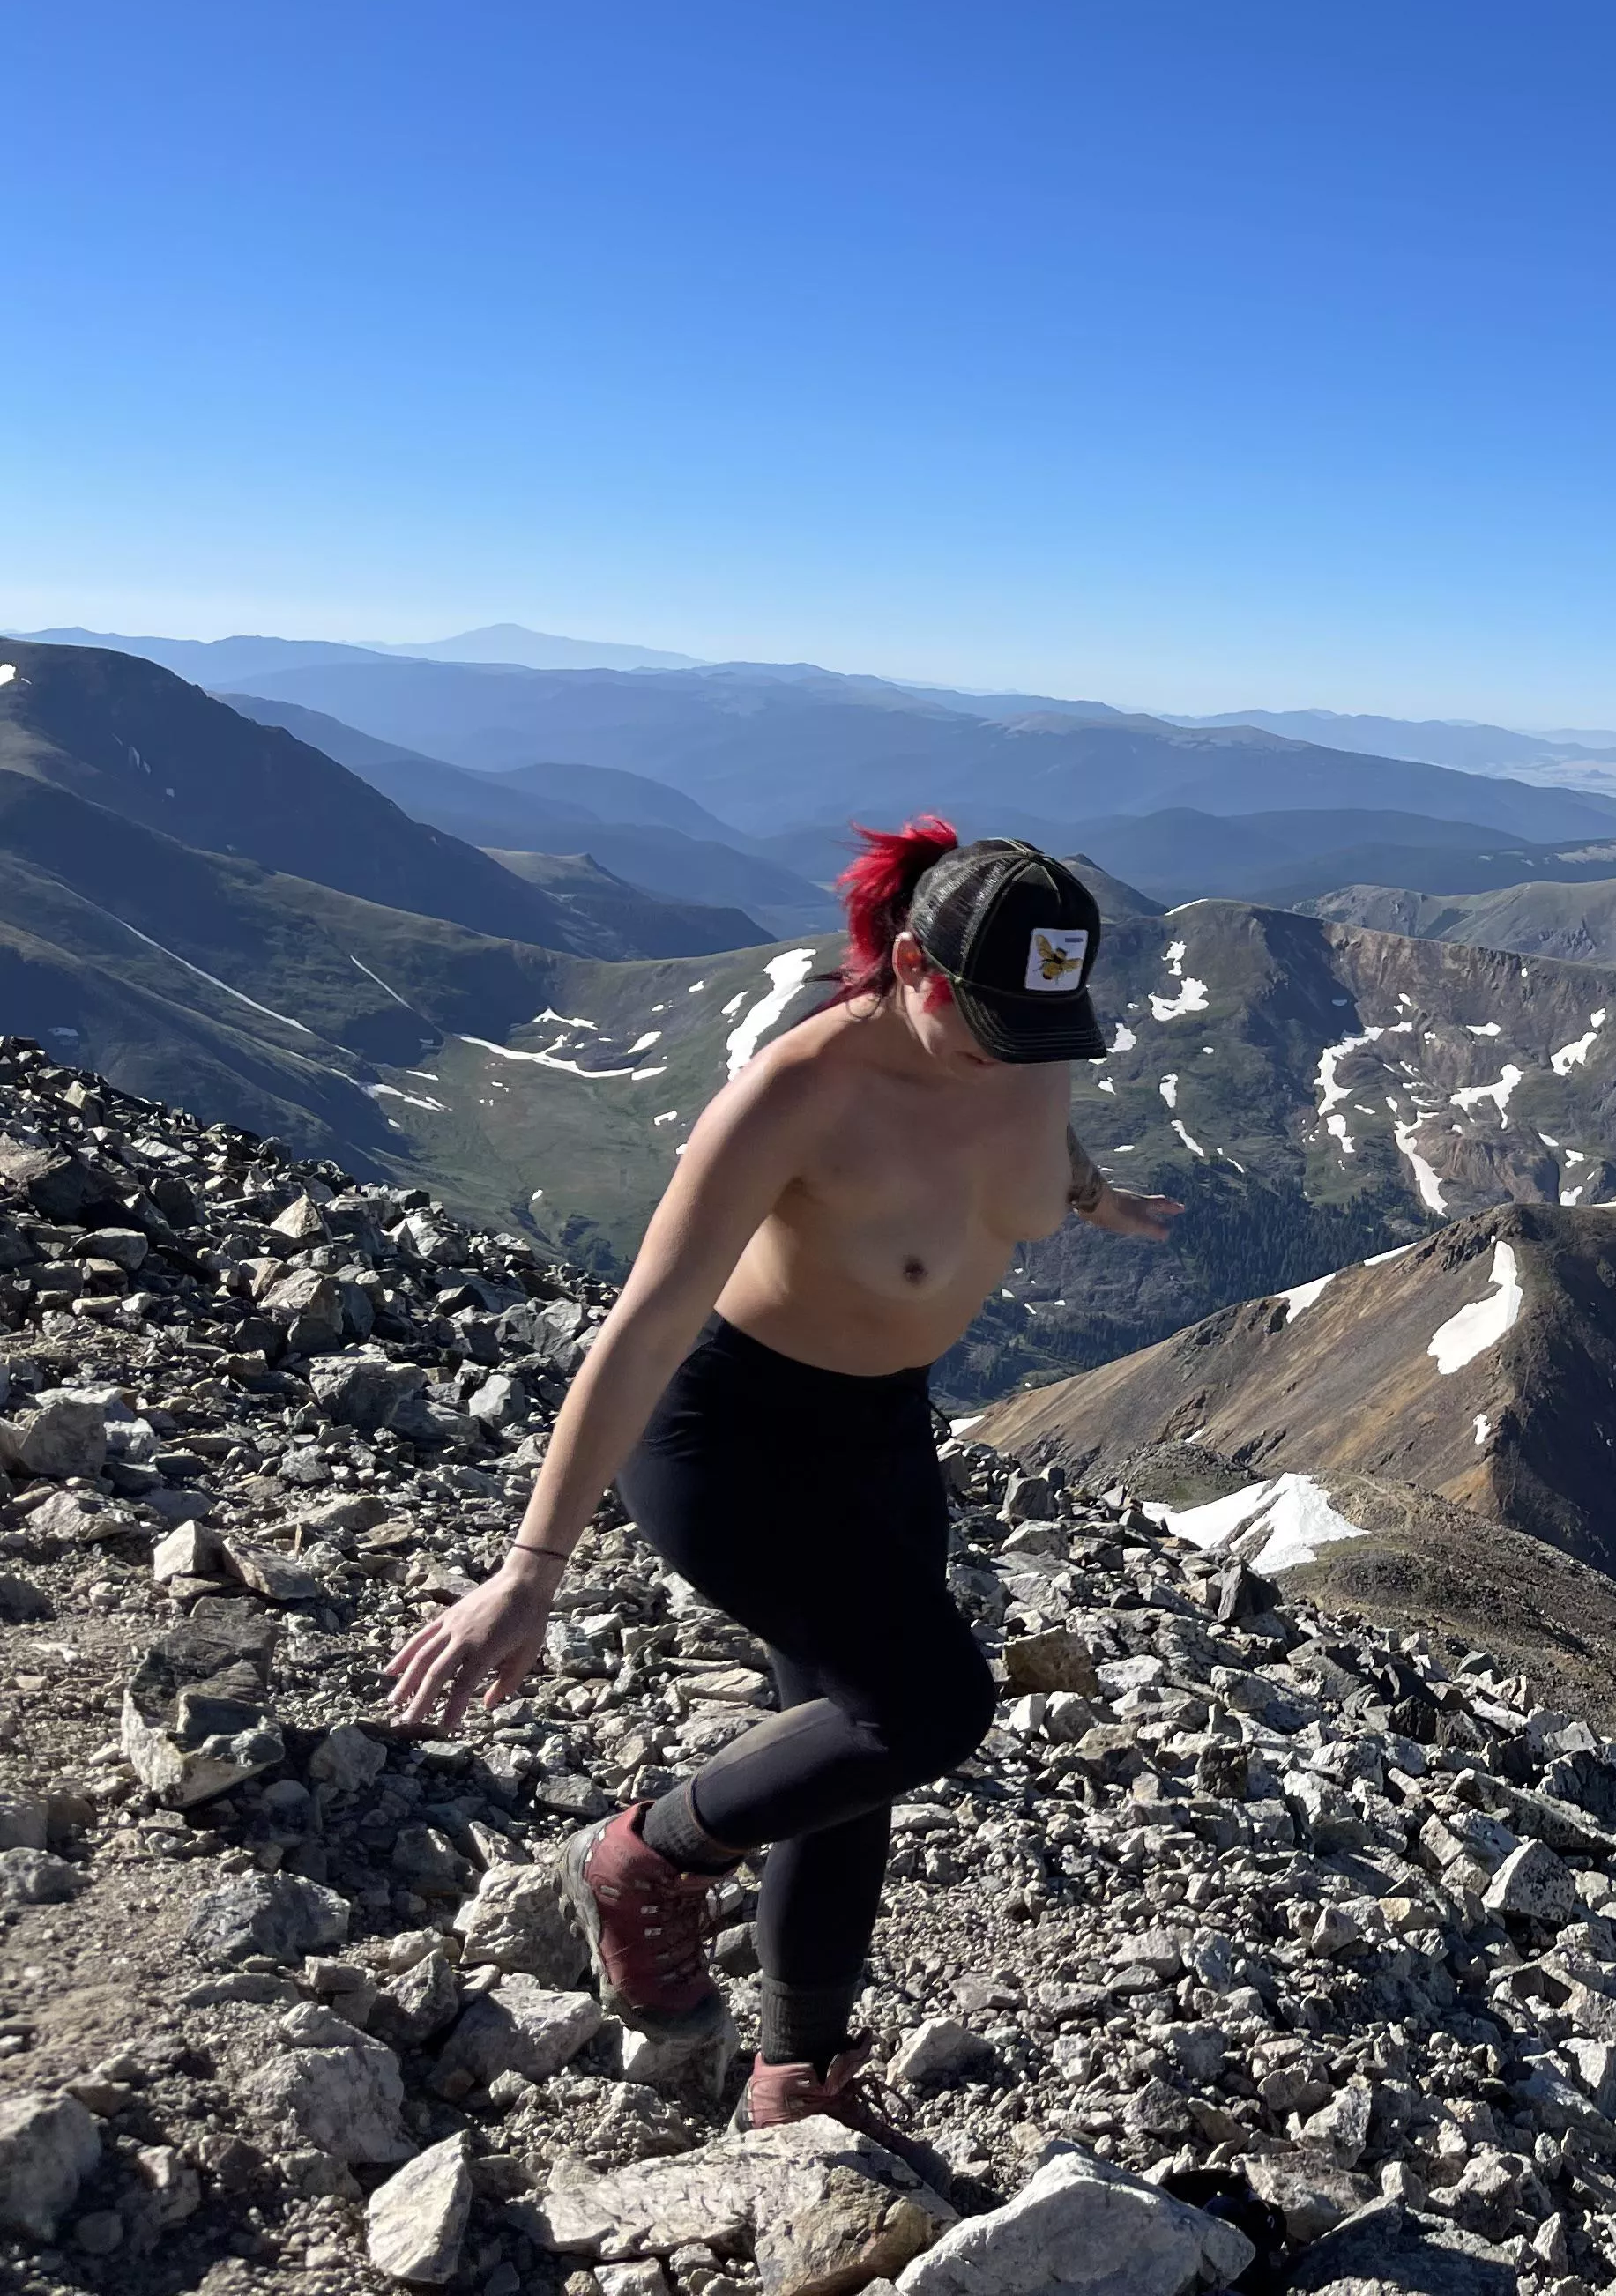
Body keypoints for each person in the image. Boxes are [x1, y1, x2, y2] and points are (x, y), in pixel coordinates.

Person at [386, 821, 1180, 2159]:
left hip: (880, 1432)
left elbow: (1039, 1135)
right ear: (916, 966)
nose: (1019, 1051)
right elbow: (639, 1324)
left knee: (849, 1750)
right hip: (729, 1439)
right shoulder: (797, 1094)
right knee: (931, 1703)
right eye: (989, 1018)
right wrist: (532, 1569)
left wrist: (1089, 1194)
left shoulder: (1022, 1040)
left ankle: (795, 2073)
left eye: (1044, 1028)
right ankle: (645, 1854)